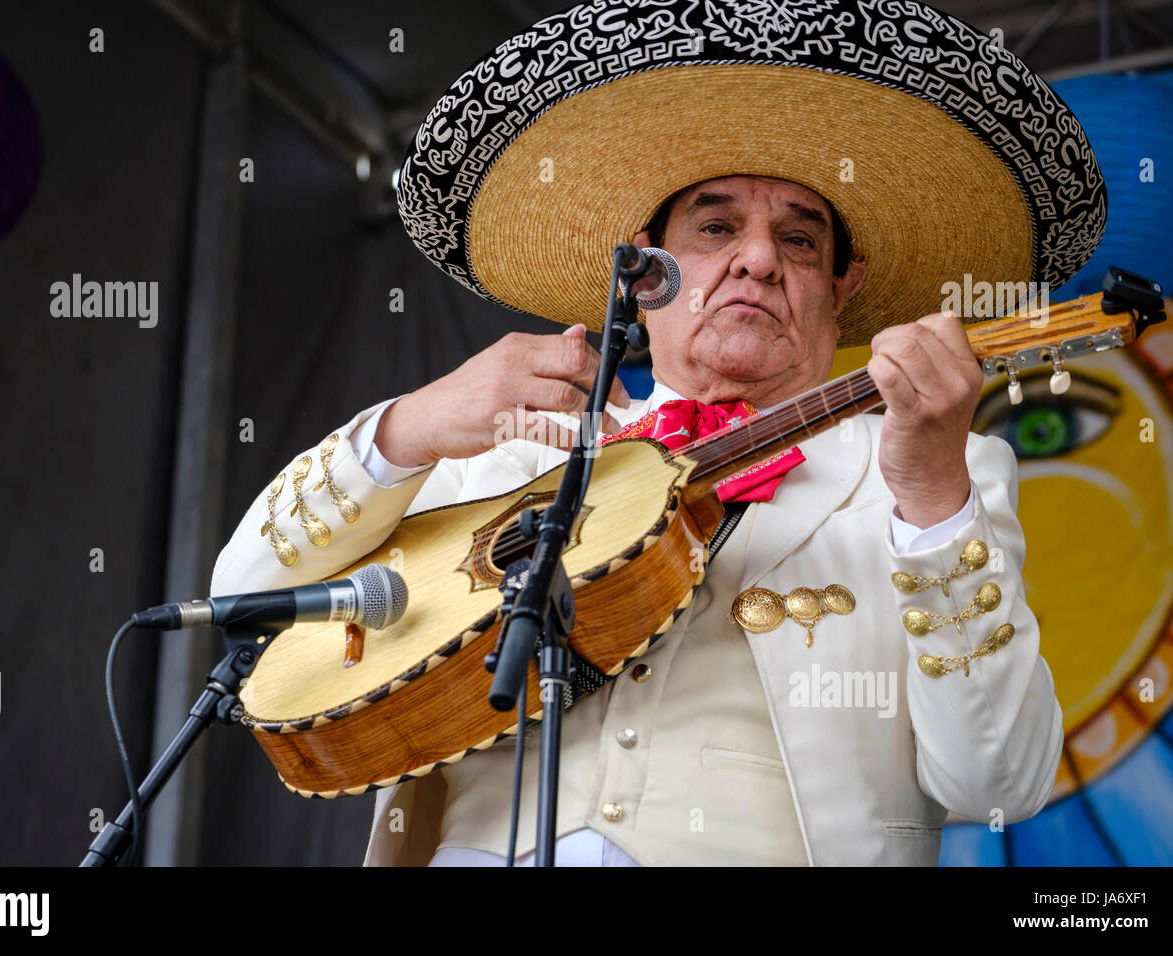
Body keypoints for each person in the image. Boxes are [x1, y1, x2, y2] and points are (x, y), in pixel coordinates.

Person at [212, 0, 1106, 865]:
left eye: (799, 242)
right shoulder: (519, 447)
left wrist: (934, 498)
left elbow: (1001, 782)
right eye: (717, 227)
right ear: (647, 276)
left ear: (844, 289)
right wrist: (413, 426)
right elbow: (242, 595)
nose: (757, 258)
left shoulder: (938, 468)